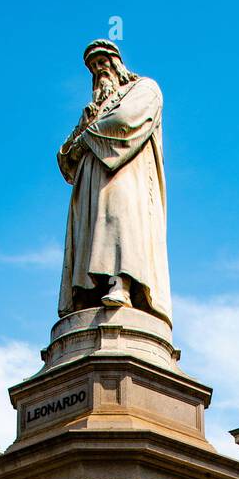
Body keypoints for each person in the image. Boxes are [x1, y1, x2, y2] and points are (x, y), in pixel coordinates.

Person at [57, 39, 172, 325]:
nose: (99, 72)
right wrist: (84, 129)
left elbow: (125, 120)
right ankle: (87, 292)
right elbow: (63, 158)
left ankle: (123, 285)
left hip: (125, 175)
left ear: (118, 64)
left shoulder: (145, 88)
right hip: (90, 187)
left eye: (102, 64)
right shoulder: (91, 111)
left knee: (121, 223)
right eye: (93, 69)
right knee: (91, 233)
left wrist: (86, 137)